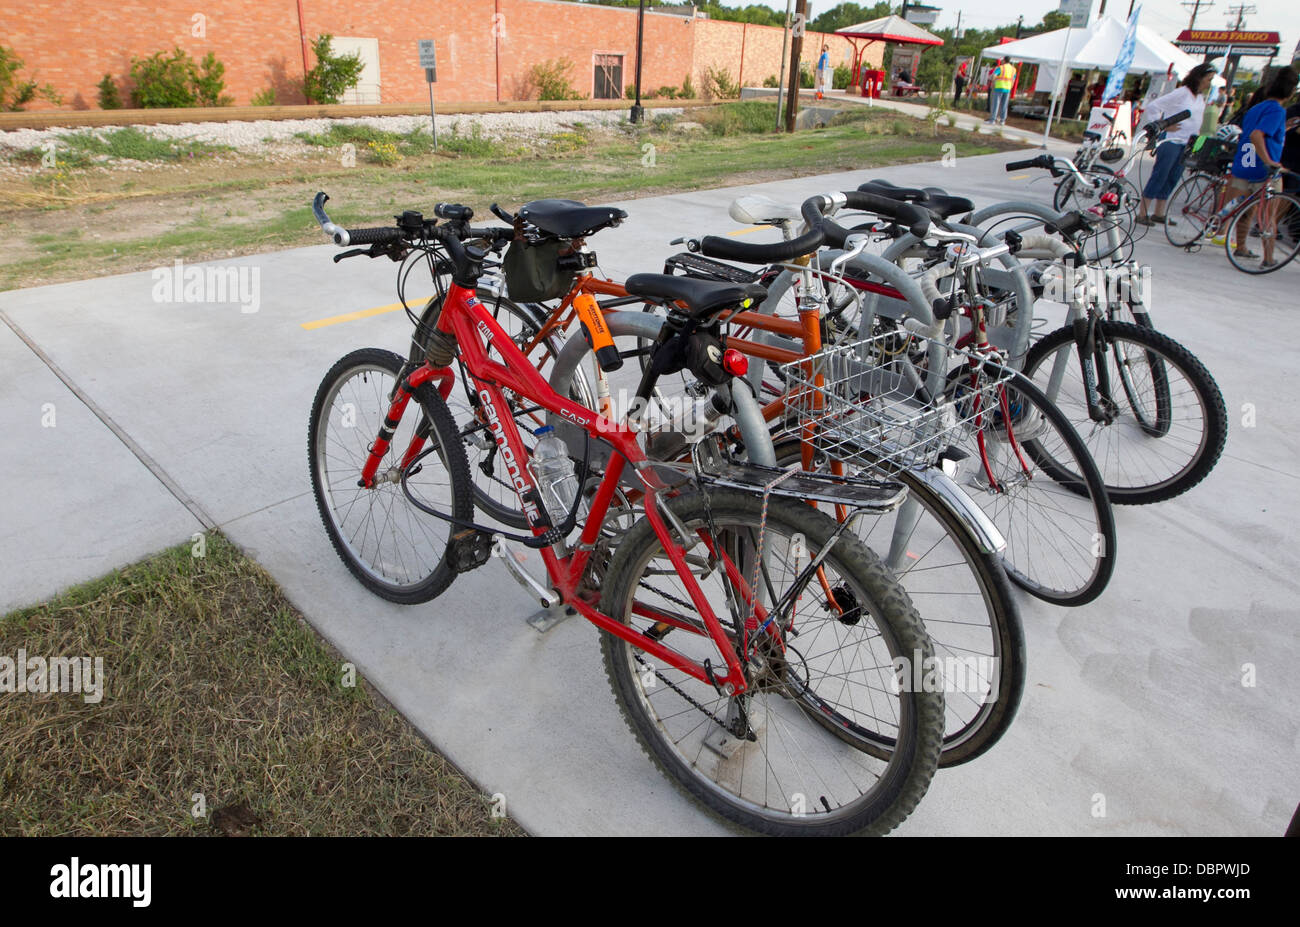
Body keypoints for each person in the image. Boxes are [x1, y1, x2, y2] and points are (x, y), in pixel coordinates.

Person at [1225, 68, 1298, 267]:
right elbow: (1258, 135)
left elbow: (1252, 133)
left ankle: (1240, 246)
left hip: (1244, 164)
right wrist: (1270, 161)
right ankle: (1268, 257)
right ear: (1290, 92)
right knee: (1268, 216)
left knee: (1245, 210)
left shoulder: (1255, 108)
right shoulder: (1277, 110)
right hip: (1264, 169)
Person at [1136, 63, 1217, 226]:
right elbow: (1153, 106)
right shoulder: (1182, 93)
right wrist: (1162, 124)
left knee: (1173, 177)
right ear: (1199, 78)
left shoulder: (1200, 97)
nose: (1210, 83)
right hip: (1171, 139)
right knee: (1160, 174)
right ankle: (1142, 212)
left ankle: (1159, 212)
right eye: (1209, 79)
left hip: (1187, 142)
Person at [986, 58, 1016, 125]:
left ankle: (993, 119)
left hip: (999, 87)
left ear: (1004, 60)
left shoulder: (1001, 68)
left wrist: (992, 83)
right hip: (1007, 88)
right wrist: (1011, 86)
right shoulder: (1013, 69)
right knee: (1004, 105)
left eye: (1002, 60)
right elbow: (1013, 79)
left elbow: (994, 75)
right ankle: (1002, 120)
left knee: (996, 104)